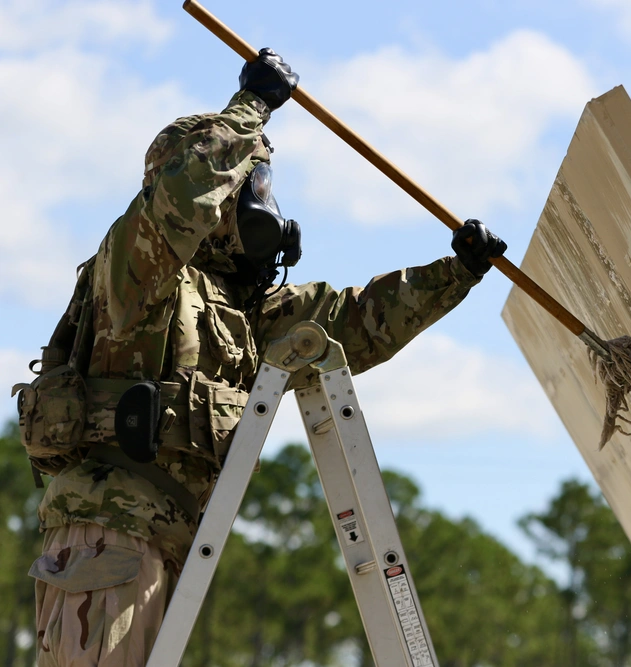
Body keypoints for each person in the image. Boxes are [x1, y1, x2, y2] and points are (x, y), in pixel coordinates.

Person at [17, 49, 505, 667]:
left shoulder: (235, 307)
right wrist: (252, 107)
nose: (267, 204)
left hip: (167, 538)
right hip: (108, 537)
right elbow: (179, 203)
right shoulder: (136, 267)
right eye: (254, 182)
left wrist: (456, 272)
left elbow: (352, 324)